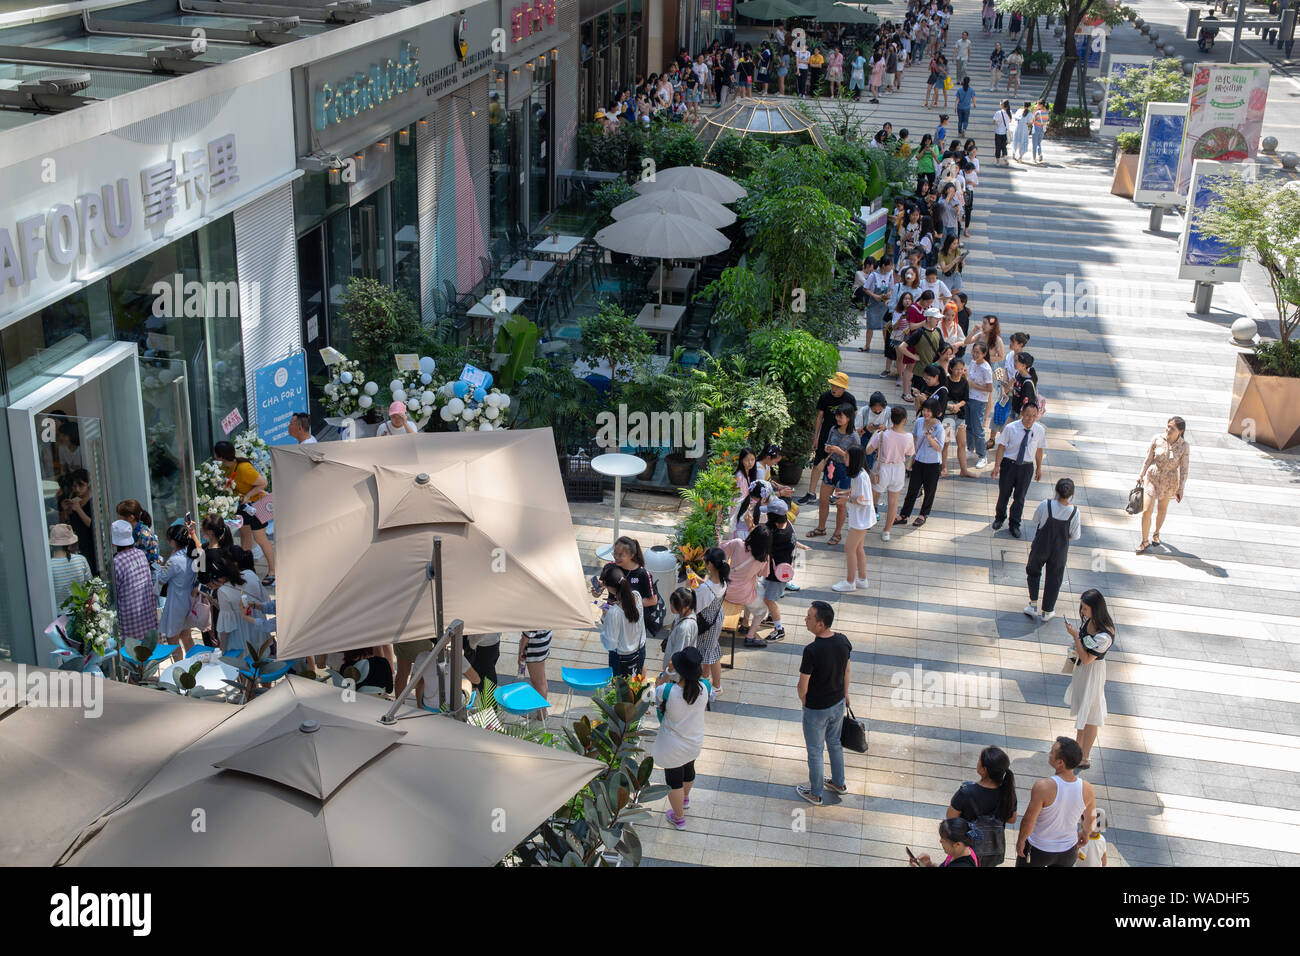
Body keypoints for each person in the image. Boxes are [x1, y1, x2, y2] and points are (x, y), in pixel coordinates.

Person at [796, 601, 852, 806]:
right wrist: (845, 694)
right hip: (838, 703)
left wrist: (805, 701)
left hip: (816, 709)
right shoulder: (843, 641)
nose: (806, 619)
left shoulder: (811, 650)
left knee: (815, 750)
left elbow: (803, 685)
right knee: (835, 743)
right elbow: (846, 670)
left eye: (809, 617)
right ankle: (839, 783)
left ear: (820, 624)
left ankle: (816, 793)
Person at [1016, 736, 1097, 867]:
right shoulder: (1087, 788)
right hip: (1068, 851)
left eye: (1052, 752)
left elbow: (1028, 820)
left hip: (1038, 849)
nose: (1049, 754)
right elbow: (1091, 818)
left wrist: (1021, 840)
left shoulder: (1043, 787)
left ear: (1060, 763)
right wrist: (1086, 833)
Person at [654, 647, 710, 829]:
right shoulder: (706, 688)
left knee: (674, 781)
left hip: (672, 746)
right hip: (694, 741)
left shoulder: (668, 691)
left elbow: (656, 688)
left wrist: (668, 672)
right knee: (689, 769)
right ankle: (685, 799)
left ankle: (679, 818)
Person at [213, 440, 276, 586]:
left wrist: (248, 496)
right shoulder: (225, 466)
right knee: (245, 537)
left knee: (260, 539)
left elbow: (263, 483)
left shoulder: (244, 468)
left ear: (221, 456)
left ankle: (273, 571)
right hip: (242, 506)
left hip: (255, 506)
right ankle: (246, 569)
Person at [1065, 589, 1116, 769]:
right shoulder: (1090, 621)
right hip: (1083, 672)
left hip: (1093, 672)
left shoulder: (1104, 635)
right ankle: (1078, 749)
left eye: (1085, 608)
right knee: (1083, 708)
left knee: (1091, 713)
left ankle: (1084, 756)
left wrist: (1076, 637)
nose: (1082, 611)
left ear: (1095, 608)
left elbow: (1087, 659)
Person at [948, 745, 1018, 867]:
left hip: (968, 850)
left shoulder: (966, 792)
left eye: (979, 760)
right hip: (992, 849)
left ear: (984, 769)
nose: (977, 762)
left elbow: (951, 819)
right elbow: (1012, 819)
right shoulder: (1007, 792)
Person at [1024, 477, 1082, 621]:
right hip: (1060, 549)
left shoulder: (1046, 504)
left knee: (1033, 571)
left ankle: (1032, 604)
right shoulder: (1075, 512)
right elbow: (1075, 535)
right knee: (1054, 579)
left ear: (1056, 490)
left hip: (1041, 545)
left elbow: (1035, 520)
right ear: (1072, 495)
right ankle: (1047, 611)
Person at [797, 372, 856, 505]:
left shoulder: (850, 399)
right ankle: (811, 493)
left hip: (844, 436)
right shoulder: (825, 397)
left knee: (840, 465)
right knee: (818, 464)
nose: (834, 389)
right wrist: (815, 437)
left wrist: (851, 434)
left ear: (844, 388)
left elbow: (854, 416)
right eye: (832, 385)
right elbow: (819, 417)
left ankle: (836, 495)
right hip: (826, 435)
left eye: (837, 386)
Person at [1137, 416, 1190, 554]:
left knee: (1162, 509)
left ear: (1180, 431)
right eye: (1168, 426)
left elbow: (1184, 469)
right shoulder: (1157, 438)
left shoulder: (1184, 446)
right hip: (1152, 477)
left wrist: (1181, 488)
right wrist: (1141, 474)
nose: (1168, 430)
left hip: (1169, 481)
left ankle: (1156, 533)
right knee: (1146, 510)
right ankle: (1144, 541)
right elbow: (1148, 458)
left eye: (1172, 428)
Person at [991, 402, 1046, 538]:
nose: (1030, 419)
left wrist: (1039, 467)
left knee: (1020, 497)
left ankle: (1014, 523)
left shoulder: (1039, 430)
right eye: (1027, 415)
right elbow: (1001, 446)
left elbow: (1039, 450)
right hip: (1009, 465)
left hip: (1026, 467)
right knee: (1004, 493)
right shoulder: (1011, 428)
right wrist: (997, 465)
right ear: (1022, 413)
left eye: (1034, 416)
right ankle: (1000, 517)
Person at [759, 500, 806, 642]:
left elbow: (763, 546)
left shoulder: (778, 536)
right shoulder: (788, 525)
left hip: (777, 575)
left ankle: (779, 629)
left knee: (769, 599)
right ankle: (770, 618)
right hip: (779, 570)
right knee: (766, 593)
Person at [831, 446, 875, 593]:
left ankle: (850, 582)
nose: (845, 459)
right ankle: (862, 579)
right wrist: (843, 494)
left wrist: (846, 500)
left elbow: (864, 500)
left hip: (861, 520)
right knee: (858, 548)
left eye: (847, 456)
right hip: (861, 519)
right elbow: (856, 493)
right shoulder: (859, 475)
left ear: (854, 459)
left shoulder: (861, 477)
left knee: (849, 548)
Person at [722, 525, 772, 648]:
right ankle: (750, 637)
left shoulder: (737, 543)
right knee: (761, 610)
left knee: (753, 592)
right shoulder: (764, 558)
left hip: (724, 589)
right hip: (742, 594)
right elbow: (763, 574)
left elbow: (721, 550)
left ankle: (745, 624)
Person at [868, 407, 914, 542]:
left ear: (891, 419)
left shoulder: (882, 435)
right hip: (898, 469)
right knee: (893, 502)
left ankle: (867, 522)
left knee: (872, 496)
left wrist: (873, 435)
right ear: (904, 420)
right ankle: (887, 531)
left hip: (883, 468)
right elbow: (910, 454)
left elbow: (869, 451)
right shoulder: (908, 437)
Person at [156, 521, 200, 657]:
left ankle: (180, 672)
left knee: (172, 640)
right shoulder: (192, 554)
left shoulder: (174, 560)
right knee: (186, 637)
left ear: (173, 542)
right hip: (188, 601)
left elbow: (161, 579)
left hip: (176, 604)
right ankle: (193, 666)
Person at [598, 564, 647, 676]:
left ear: (609, 587)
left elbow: (610, 644)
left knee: (621, 690)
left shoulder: (614, 613)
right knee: (636, 685)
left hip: (622, 657)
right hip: (640, 650)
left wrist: (606, 617)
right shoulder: (637, 596)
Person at [111, 519, 156, 642]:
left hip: (129, 617)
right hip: (147, 611)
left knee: (133, 653)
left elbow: (114, 592)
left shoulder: (116, 562)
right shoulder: (140, 554)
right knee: (149, 650)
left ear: (114, 542)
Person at [693, 547, 729, 697]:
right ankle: (714, 684)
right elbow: (708, 587)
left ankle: (707, 685)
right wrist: (698, 581)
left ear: (710, 565)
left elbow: (695, 607)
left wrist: (691, 589)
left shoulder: (706, 589)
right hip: (716, 617)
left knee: (707, 654)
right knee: (712, 652)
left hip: (707, 622)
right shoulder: (722, 579)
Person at [58, 468, 98, 577]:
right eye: (74, 486)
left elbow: (93, 525)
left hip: (91, 545)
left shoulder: (94, 501)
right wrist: (65, 511)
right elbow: (64, 524)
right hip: (77, 544)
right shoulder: (74, 499)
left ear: (88, 484)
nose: (77, 489)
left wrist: (79, 510)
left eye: (81, 486)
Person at [48, 523, 91, 610]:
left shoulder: (49, 566)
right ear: (70, 544)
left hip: (57, 617)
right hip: (80, 613)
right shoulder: (81, 560)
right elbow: (89, 587)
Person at [909, 818, 980, 867]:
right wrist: (929, 865)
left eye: (944, 839)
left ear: (958, 844)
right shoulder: (959, 852)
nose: (940, 841)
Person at [660, 587, 699, 671]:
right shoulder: (684, 614)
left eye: (675, 605)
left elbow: (674, 660)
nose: (671, 606)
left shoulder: (684, 628)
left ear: (686, 607)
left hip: (675, 676)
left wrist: (663, 678)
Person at [116, 499, 160, 570]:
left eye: (119, 518)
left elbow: (152, 561)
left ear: (131, 518)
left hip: (149, 574)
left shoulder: (143, 535)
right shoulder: (136, 531)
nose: (117, 520)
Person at [993, 99, 1012, 165]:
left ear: (1003, 105)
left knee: (997, 147)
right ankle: (1004, 156)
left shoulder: (998, 112)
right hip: (1005, 133)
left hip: (998, 132)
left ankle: (998, 161)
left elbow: (995, 122)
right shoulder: (1010, 112)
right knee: (1004, 146)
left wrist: (998, 123)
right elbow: (1010, 121)